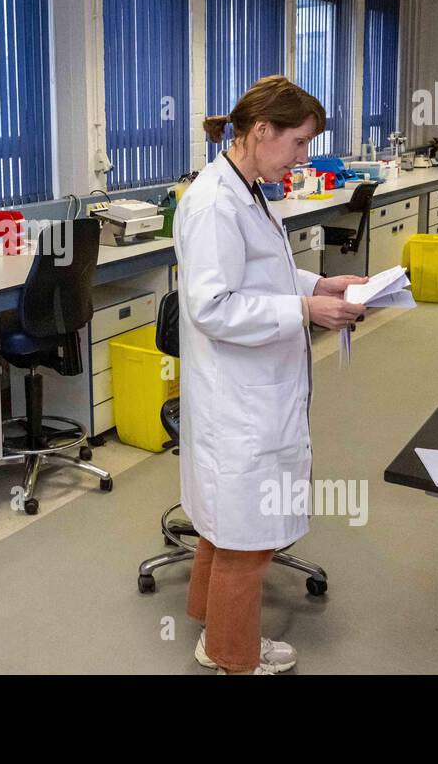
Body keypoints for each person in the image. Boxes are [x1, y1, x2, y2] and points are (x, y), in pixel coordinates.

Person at [173, 75, 366, 675]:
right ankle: (233, 654)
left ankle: (209, 618)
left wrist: (318, 284)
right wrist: (304, 310)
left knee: (224, 519)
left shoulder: (248, 187)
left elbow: (262, 275)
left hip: (253, 386)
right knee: (248, 536)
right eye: (299, 143)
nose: (304, 157)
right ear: (261, 132)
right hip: (239, 395)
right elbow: (213, 307)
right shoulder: (213, 203)